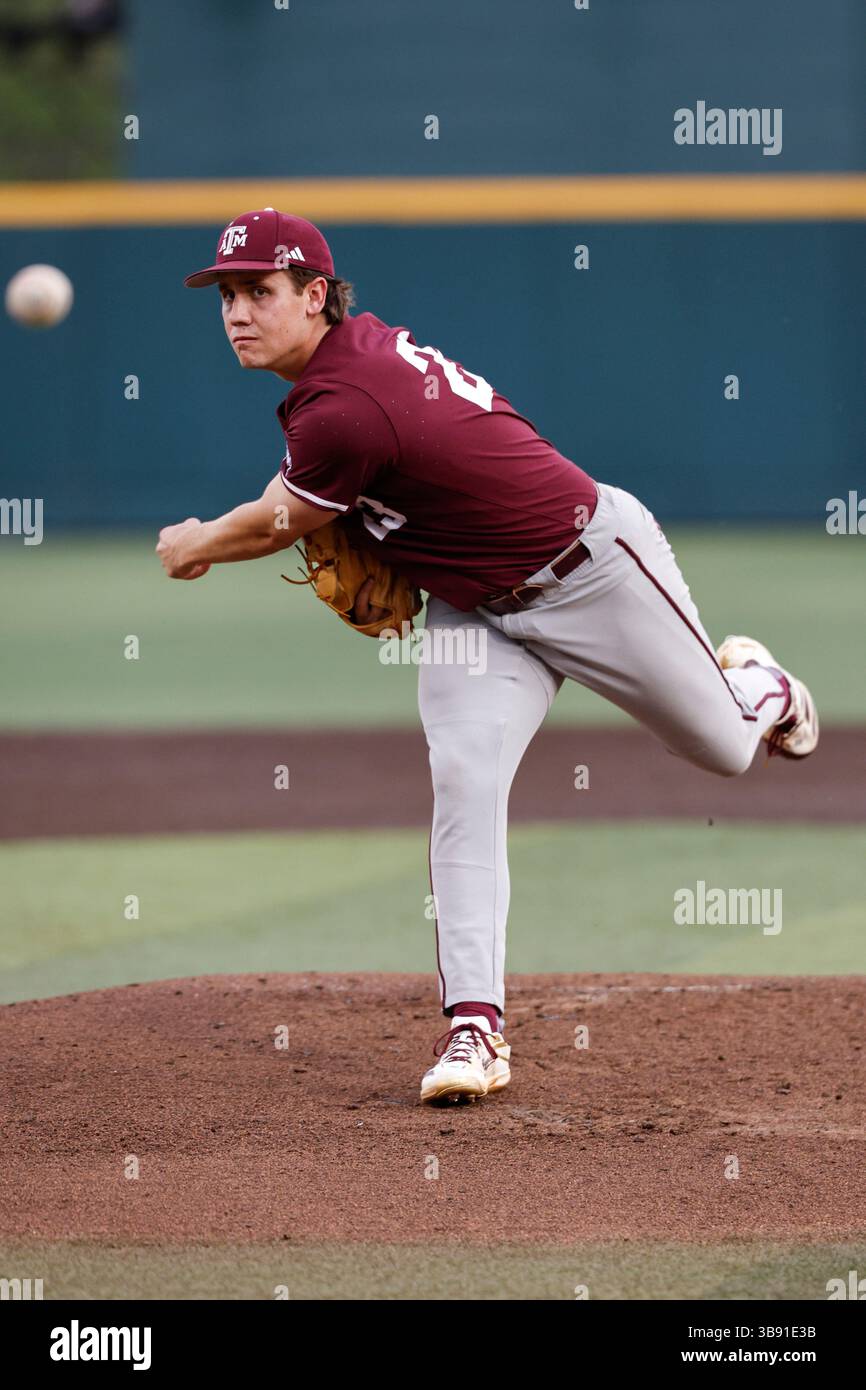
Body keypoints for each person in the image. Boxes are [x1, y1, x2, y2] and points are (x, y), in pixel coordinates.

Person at [158, 209, 819, 1106]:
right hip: (479, 606)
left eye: (258, 291)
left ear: (315, 296)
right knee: (464, 778)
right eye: (227, 294)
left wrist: (198, 540)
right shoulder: (342, 370)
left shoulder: (344, 404)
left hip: (592, 572)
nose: (237, 310)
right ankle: (475, 1027)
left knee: (727, 750)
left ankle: (762, 686)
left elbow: (277, 519)